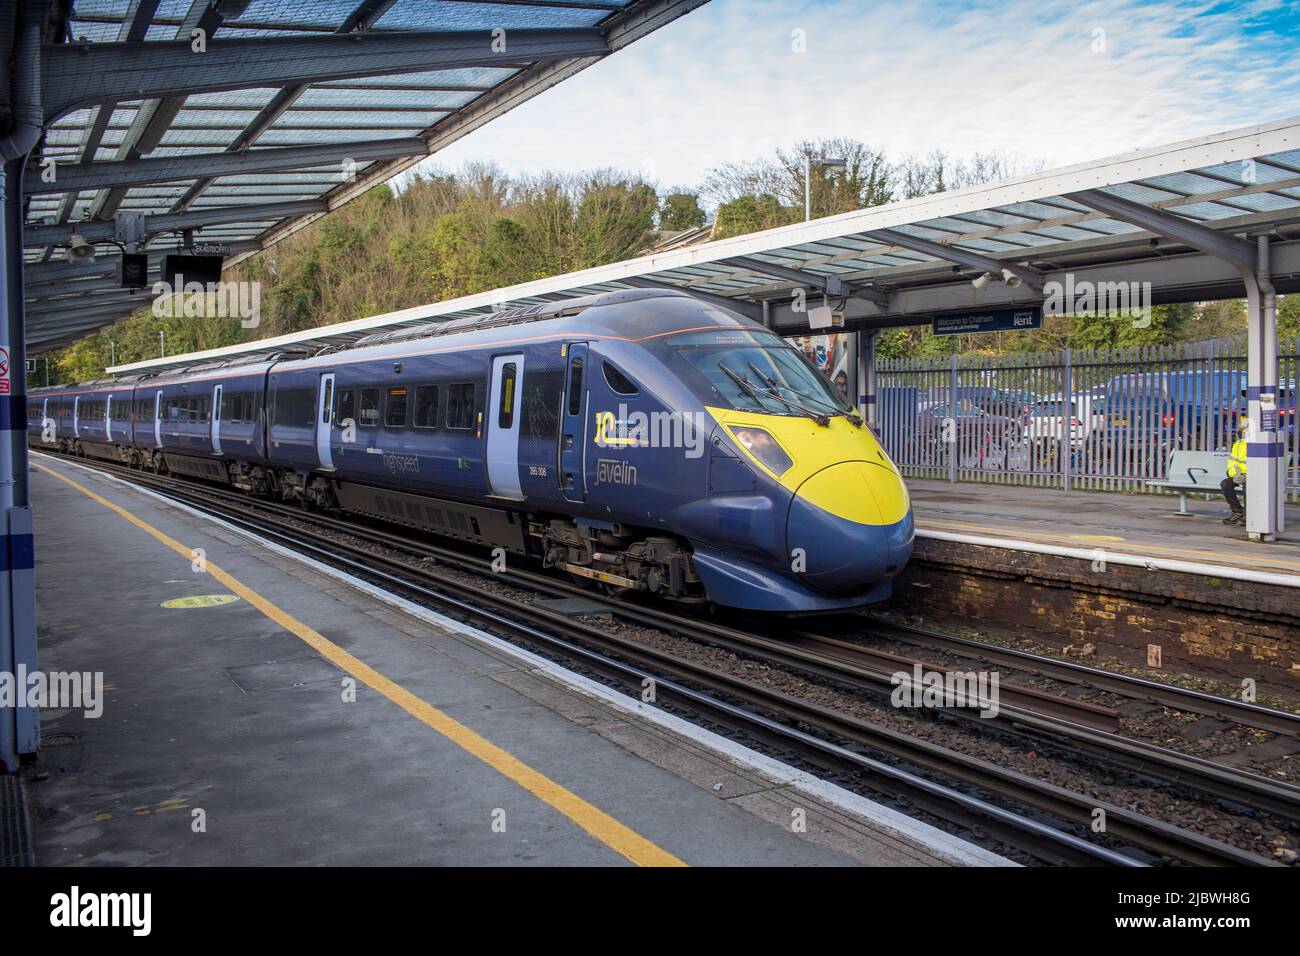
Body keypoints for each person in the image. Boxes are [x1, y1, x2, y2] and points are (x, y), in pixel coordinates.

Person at [1221, 415, 1248, 525]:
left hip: (1251, 475)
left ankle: (1249, 515)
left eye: (1243, 429)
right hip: (1238, 475)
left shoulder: (1254, 443)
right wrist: (1232, 474)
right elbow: (1232, 462)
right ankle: (1237, 511)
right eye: (1240, 429)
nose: (1240, 431)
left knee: (1249, 488)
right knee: (1225, 484)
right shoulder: (1237, 444)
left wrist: (1246, 475)